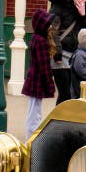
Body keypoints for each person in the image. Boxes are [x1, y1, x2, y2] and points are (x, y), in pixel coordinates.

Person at [48, 0, 86, 104]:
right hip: (61, 54)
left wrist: (83, 16)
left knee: (72, 93)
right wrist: (57, 54)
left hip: (75, 56)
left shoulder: (84, 10)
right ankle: (59, 115)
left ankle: (63, 115)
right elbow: (52, 31)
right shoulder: (59, 6)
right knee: (65, 92)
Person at [21, 9, 58, 138]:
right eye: (48, 23)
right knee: (34, 114)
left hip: (34, 79)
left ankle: (31, 139)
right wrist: (50, 84)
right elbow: (44, 66)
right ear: (42, 25)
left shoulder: (35, 38)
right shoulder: (41, 41)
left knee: (34, 111)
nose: (50, 25)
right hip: (37, 81)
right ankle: (31, 141)